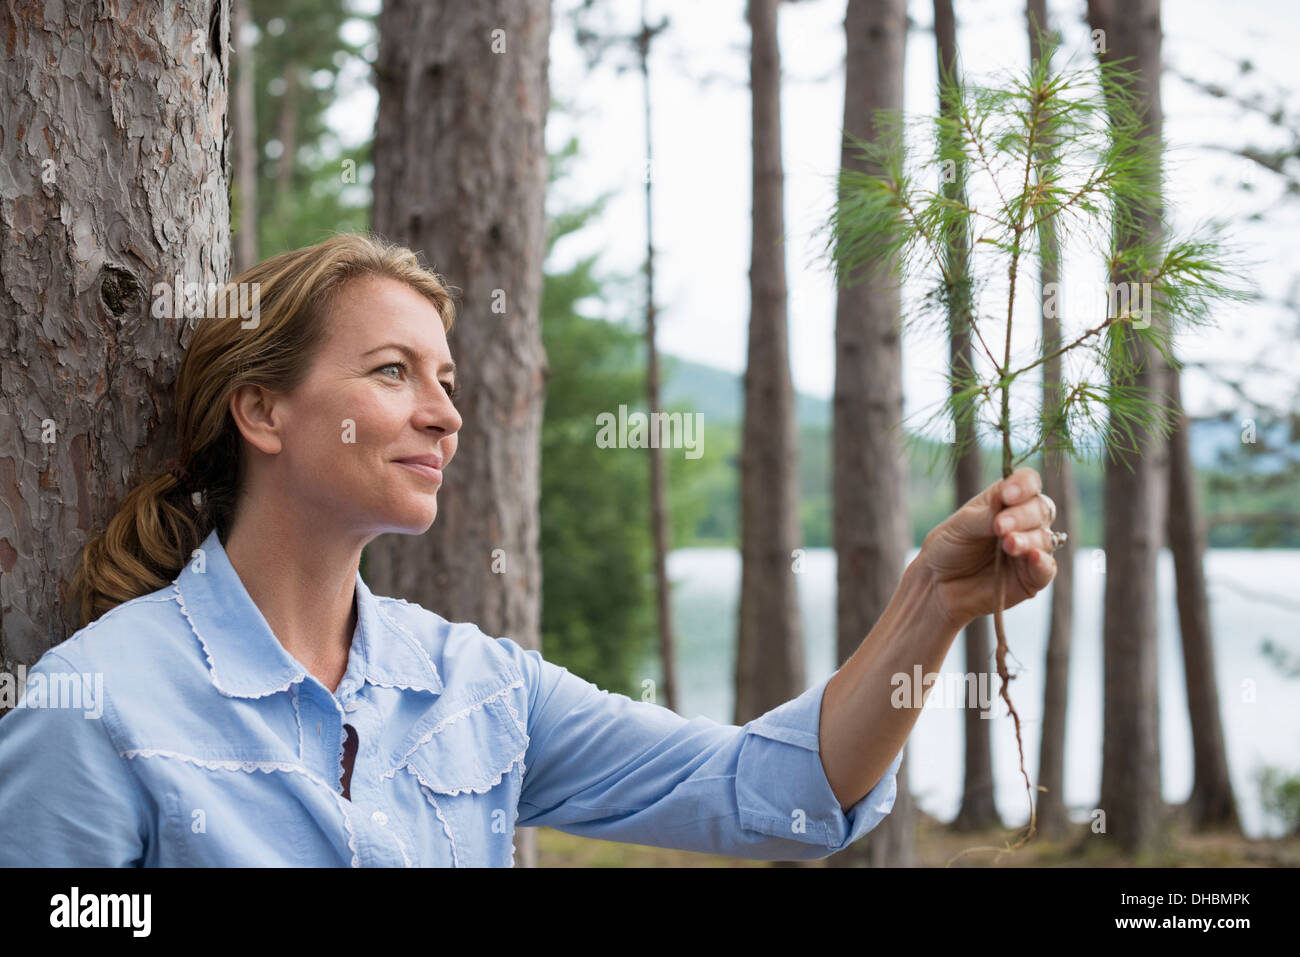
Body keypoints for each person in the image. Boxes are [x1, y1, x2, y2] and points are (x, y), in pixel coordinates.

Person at [0, 232, 1061, 867]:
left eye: (446, 382)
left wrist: (932, 601)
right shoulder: (97, 704)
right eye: (391, 373)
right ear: (263, 412)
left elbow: (772, 795)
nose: (443, 416)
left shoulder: (479, 690)